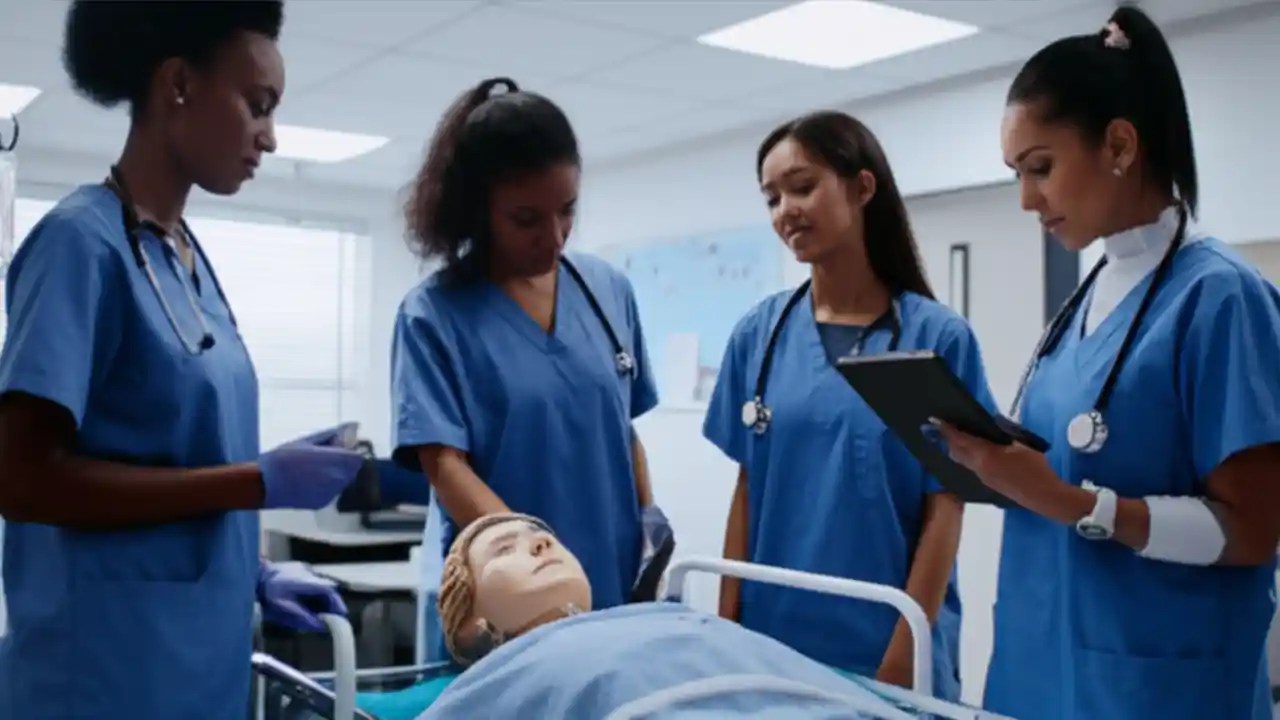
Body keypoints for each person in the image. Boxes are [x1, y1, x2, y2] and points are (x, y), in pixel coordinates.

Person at [0, 3, 366, 717]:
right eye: (257, 105)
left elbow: (172, 454)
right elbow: (19, 478)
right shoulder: (79, 245)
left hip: (200, 670)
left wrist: (252, 572)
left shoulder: (185, 259)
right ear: (177, 86)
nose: (270, 135)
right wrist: (259, 481)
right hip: (102, 676)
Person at [932, 6, 1280, 719]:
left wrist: (1071, 501)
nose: (1027, 199)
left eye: (1041, 168)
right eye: (1017, 174)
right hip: (1039, 665)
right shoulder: (1087, 296)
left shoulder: (1220, 299)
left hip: (1154, 685)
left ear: (1119, 144)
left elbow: (1251, 530)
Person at [703, 111, 998, 700]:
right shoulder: (758, 336)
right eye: (772, 197)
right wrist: (724, 632)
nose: (785, 208)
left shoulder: (936, 338)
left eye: (803, 186)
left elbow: (946, 509)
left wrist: (898, 665)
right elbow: (747, 489)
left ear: (863, 188)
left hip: (886, 646)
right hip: (771, 646)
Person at [390, 77, 671, 649]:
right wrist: (535, 567)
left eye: (567, 211)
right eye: (526, 219)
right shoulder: (434, 315)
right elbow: (444, 465)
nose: (555, 236)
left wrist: (648, 522)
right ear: (477, 209)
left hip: (610, 588)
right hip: (504, 603)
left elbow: (622, 427)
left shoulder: (607, 290)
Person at [415, 512, 950, 719]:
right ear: (471, 624)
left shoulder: (668, 617)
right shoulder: (502, 677)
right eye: (505, 549)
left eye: (543, 535)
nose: (538, 545)